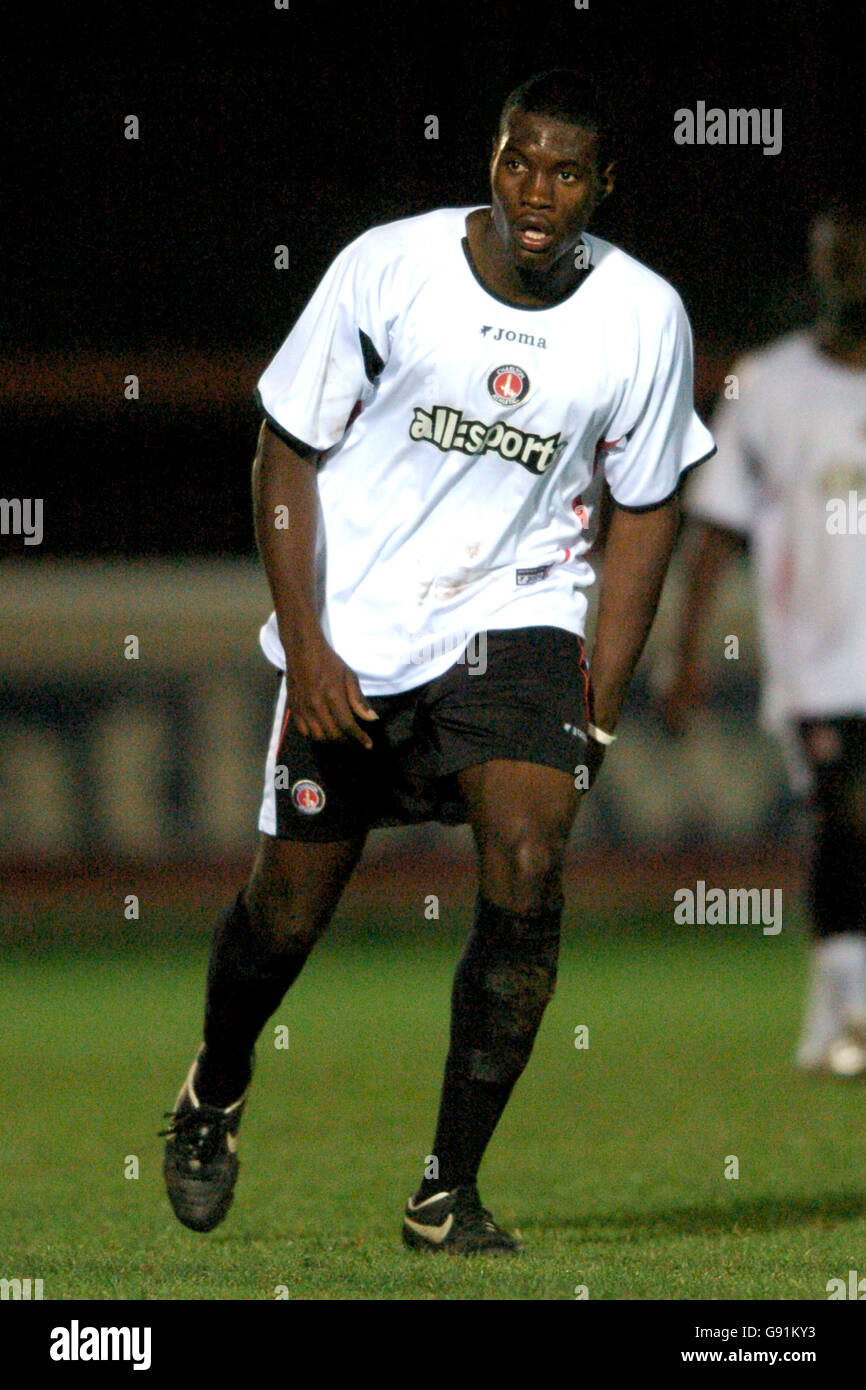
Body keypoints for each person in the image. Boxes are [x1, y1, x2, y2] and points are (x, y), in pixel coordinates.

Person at [161, 68, 714, 1254]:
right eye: (519, 160)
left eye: (564, 171)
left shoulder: (642, 315)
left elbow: (646, 503)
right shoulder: (388, 269)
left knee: (526, 855)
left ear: (600, 187)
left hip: (519, 617)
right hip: (357, 630)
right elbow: (286, 449)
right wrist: (306, 646)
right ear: (492, 159)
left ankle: (443, 1190)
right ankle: (213, 1087)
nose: (535, 189)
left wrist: (597, 703)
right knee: (284, 913)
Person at [664, 196, 866, 1076]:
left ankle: (832, 1017)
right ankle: (848, 1002)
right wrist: (685, 655)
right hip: (820, 660)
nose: (846, 277)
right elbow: (715, 526)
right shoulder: (768, 381)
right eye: (834, 259)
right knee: (848, 813)